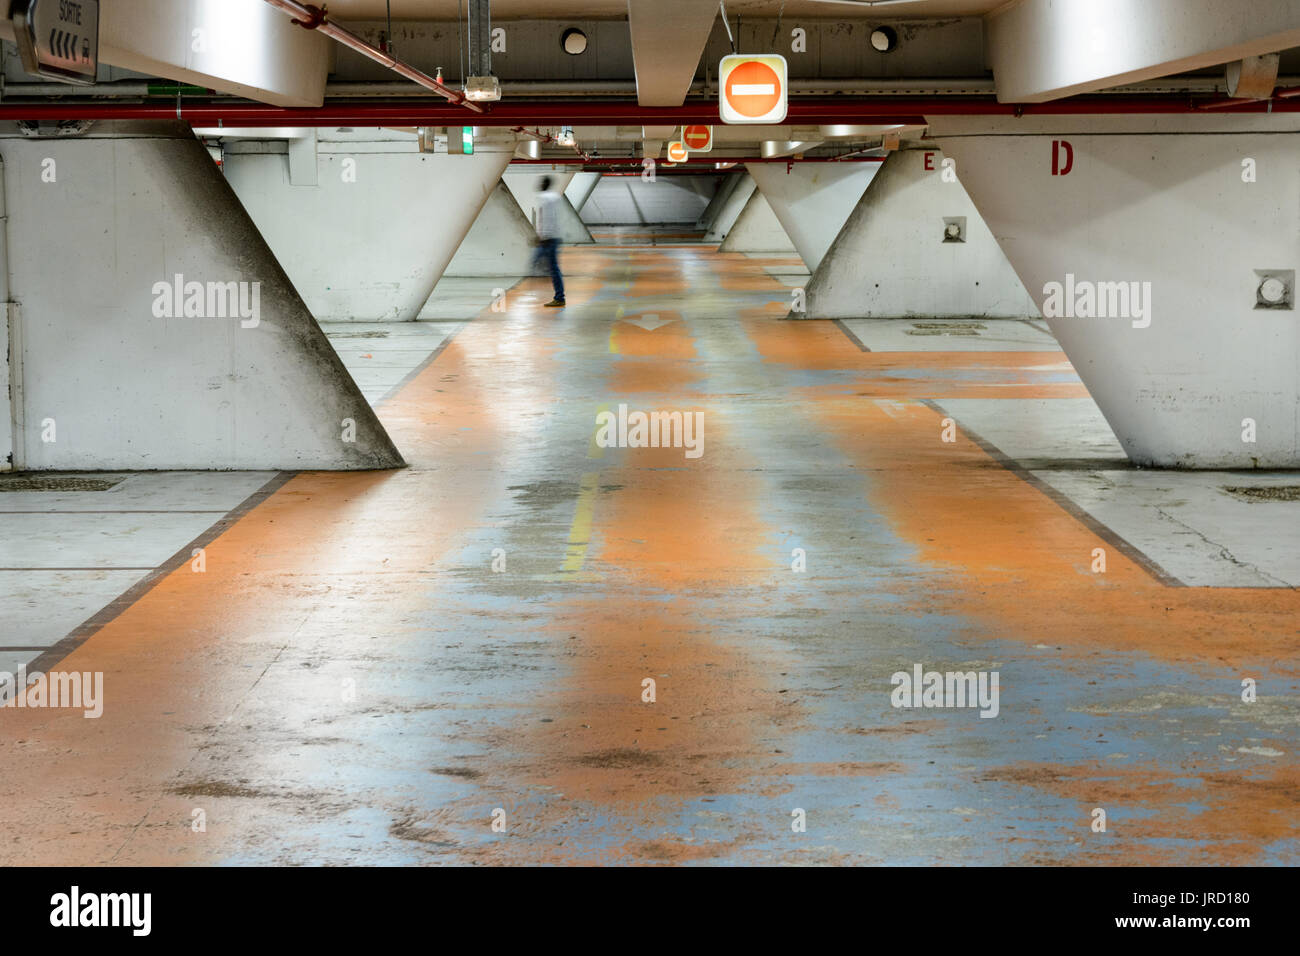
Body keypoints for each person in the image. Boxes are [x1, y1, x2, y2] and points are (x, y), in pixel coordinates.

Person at [532, 176, 566, 308]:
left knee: (551, 267)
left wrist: (542, 236)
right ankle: (558, 295)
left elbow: (545, 219)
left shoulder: (544, 198)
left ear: (544, 184)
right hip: (555, 237)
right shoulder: (555, 196)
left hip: (549, 238)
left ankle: (559, 297)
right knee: (551, 267)